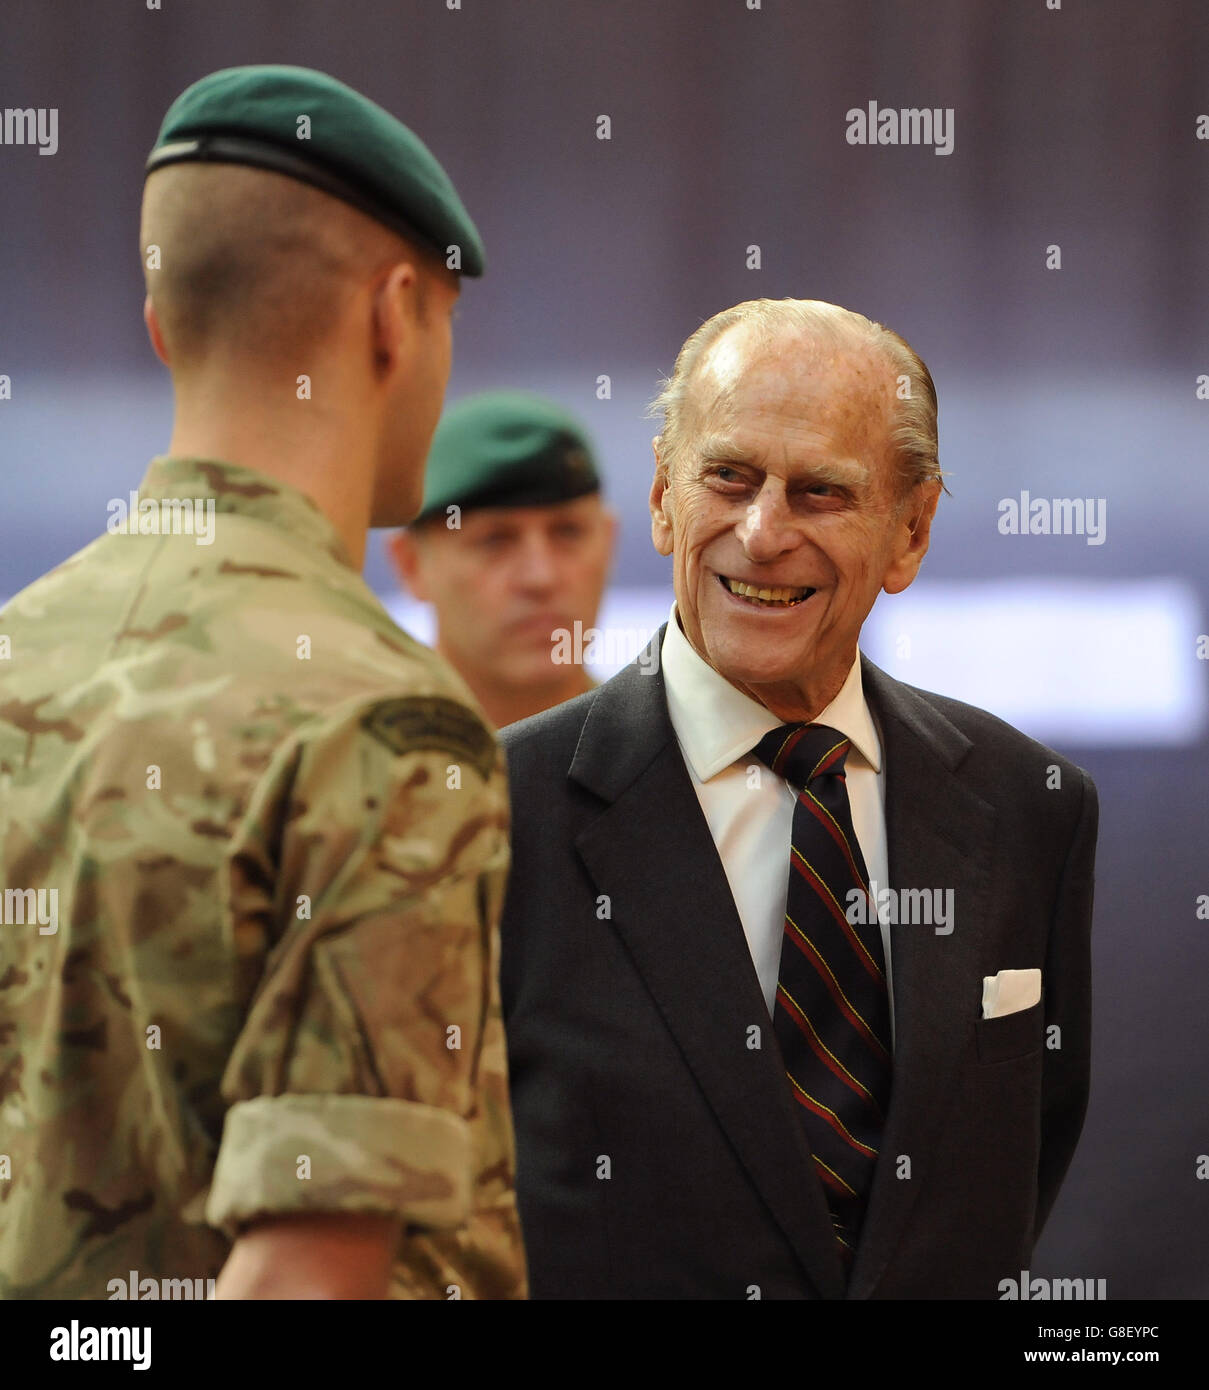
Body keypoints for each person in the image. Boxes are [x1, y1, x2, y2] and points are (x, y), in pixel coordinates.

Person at [0, 65, 526, 1301]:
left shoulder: (18, 655)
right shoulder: (382, 722)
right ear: (396, 314)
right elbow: (308, 1275)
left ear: (161, 325)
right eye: (447, 318)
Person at [498, 298, 1097, 1299]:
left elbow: (1028, 1156)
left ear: (911, 532)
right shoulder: (488, 813)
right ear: (660, 495)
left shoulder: (1029, 806)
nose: (762, 532)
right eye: (727, 477)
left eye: (821, 492)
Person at [389, 391, 617, 727]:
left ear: (609, 541)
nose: (540, 578)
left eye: (568, 532)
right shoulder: (358, 764)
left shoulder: (672, 754)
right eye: (494, 541)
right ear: (411, 565)